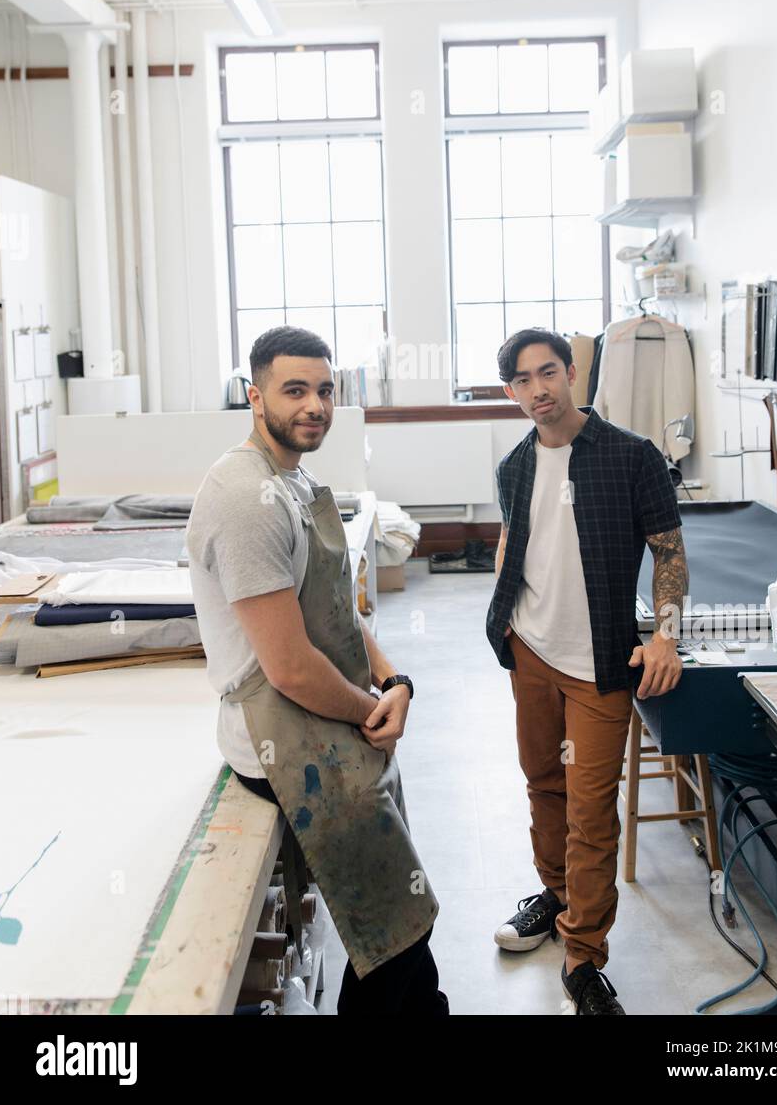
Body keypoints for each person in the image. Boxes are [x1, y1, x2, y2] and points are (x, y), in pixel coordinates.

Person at [187, 325, 447, 1016]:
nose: (315, 405)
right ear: (254, 396)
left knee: (398, 921)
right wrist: (371, 713)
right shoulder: (246, 499)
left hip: (330, 718)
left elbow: (336, 610)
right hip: (279, 740)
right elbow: (292, 668)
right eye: (294, 389)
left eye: (325, 390)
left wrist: (394, 682)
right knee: (395, 933)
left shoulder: (296, 479)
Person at [487, 328, 688, 1016]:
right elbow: (516, 541)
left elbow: (667, 554)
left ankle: (582, 957)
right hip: (531, 655)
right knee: (544, 785)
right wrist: (507, 622)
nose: (538, 389)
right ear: (510, 390)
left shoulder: (632, 458)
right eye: (522, 379)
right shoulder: (513, 465)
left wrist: (665, 637)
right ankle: (558, 894)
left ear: (573, 372)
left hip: (600, 664)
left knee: (592, 811)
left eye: (549, 373)